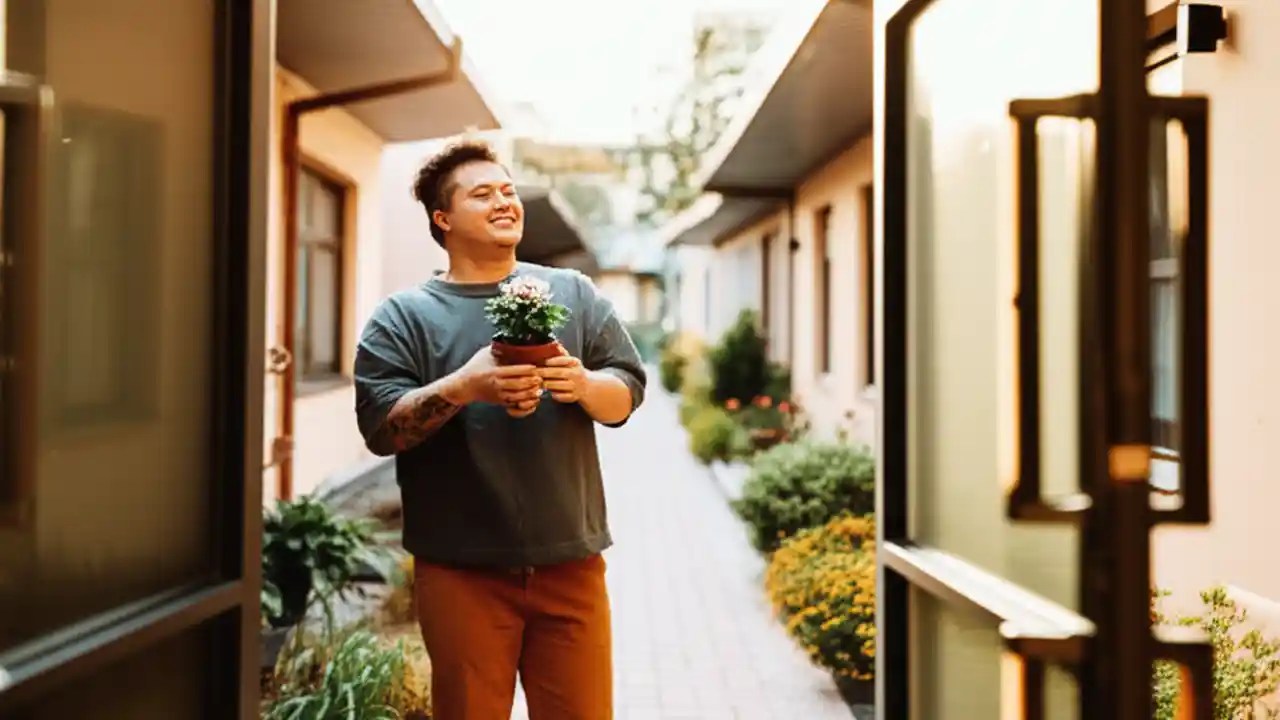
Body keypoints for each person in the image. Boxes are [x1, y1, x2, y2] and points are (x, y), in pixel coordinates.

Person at [354, 140, 646, 720]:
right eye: (482, 194)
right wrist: (464, 386)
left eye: (509, 191)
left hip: (571, 562)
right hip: (460, 571)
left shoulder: (573, 293)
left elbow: (627, 392)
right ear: (443, 218)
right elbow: (382, 430)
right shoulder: (403, 317)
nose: (504, 202)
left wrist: (584, 384)